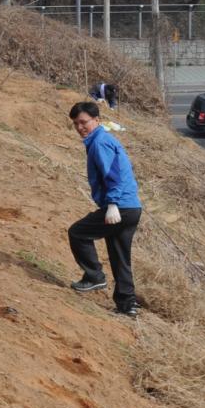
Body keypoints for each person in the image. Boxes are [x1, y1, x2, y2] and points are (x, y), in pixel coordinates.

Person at [68, 100, 142, 317]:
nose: (80, 127)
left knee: (78, 232)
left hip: (121, 206)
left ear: (96, 120)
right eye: (75, 124)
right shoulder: (100, 140)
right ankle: (127, 304)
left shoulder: (100, 142)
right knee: (120, 255)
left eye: (83, 122)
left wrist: (112, 204)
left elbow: (113, 175)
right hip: (131, 207)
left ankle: (94, 277)